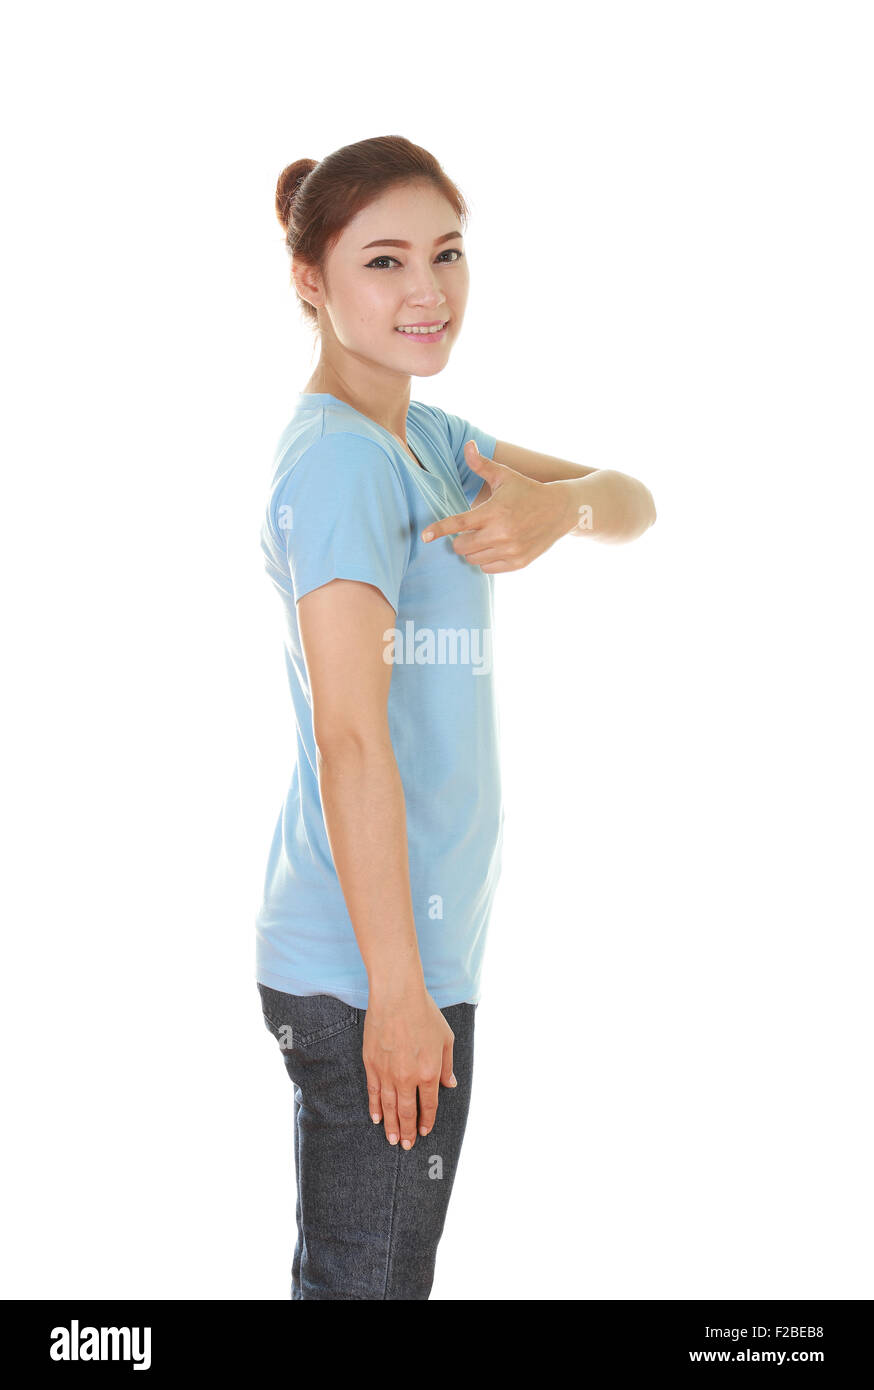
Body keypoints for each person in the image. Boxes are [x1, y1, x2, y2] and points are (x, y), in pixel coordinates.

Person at [255, 135, 657, 1301]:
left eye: (446, 252)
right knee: (368, 1286)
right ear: (311, 285)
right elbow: (351, 737)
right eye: (383, 261)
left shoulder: (424, 439)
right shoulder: (338, 465)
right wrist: (396, 990)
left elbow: (633, 501)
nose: (427, 290)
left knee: (364, 1274)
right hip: (367, 967)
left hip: (404, 954)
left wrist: (558, 513)